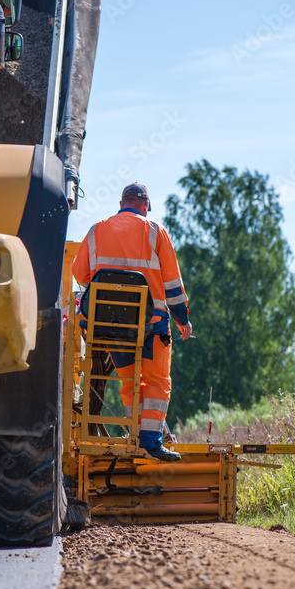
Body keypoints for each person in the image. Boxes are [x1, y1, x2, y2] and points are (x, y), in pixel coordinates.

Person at [72, 182, 193, 462]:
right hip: (152, 326)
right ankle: (151, 441)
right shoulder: (156, 231)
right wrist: (182, 320)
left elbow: (80, 274)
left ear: (120, 204)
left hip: (109, 327)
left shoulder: (96, 230)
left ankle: (136, 435)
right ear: (146, 206)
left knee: (129, 383)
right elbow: (173, 285)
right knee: (156, 382)